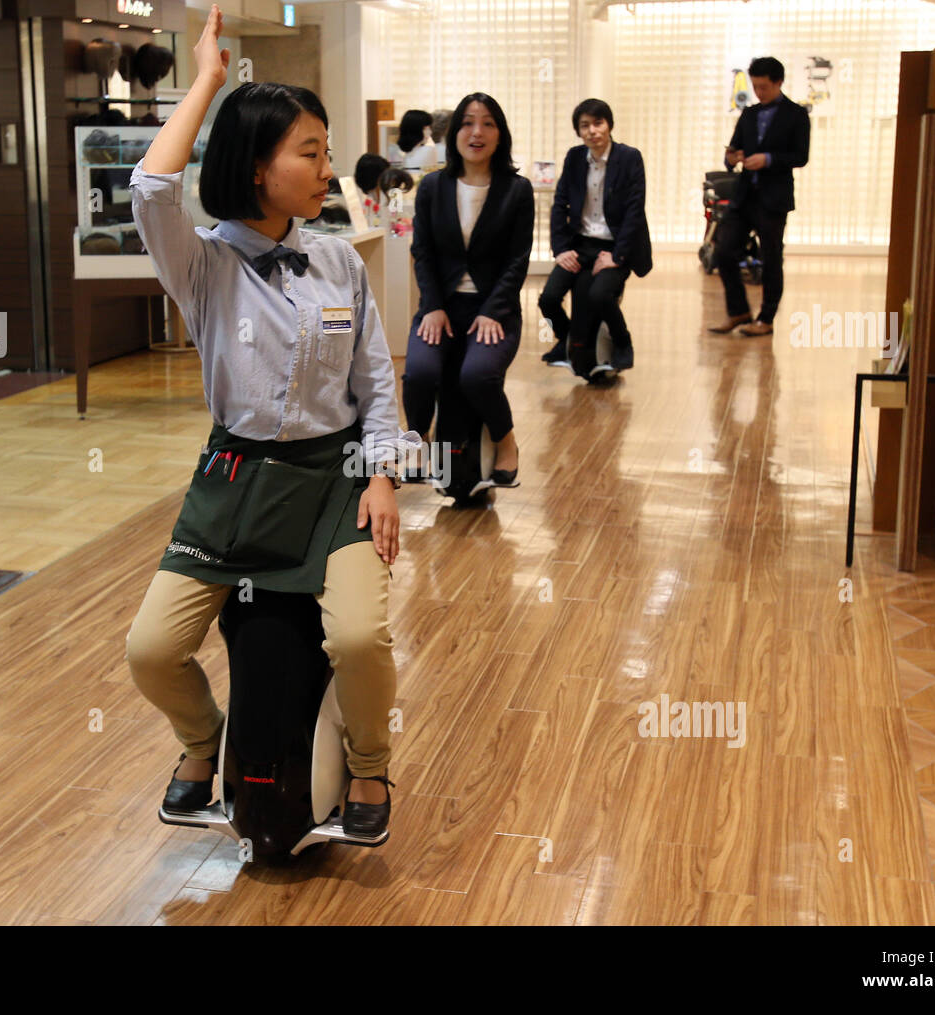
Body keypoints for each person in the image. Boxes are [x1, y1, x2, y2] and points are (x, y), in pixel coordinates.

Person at [126, 5, 418, 839]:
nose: (329, 169)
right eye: (311, 153)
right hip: (236, 480)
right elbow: (150, 187)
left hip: (336, 480)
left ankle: (368, 765)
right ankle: (199, 742)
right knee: (151, 649)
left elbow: (373, 380)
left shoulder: (336, 258)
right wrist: (210, 79)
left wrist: (385, 474)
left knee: (360, 637)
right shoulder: (204, 265)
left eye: (326, 152)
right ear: (258, 167)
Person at [402, 92, 533, 485]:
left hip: (495, 310)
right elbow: (422, 253)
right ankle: (419, 440)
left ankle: (505, 439)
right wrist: (432, 306)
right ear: (454, 132)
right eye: (467, 122)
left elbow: (517, 260)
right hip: (441, 306)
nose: (477, 132)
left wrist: (494, 310)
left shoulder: (516, 190)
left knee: (477, 375)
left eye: (488, 123)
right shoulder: (431, 188)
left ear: (500, 134)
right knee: (419, 373)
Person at [539, 98, 651, 381]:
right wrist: (561, 249)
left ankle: (623, 341)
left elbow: (634, 212)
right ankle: (565, 340)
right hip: (580, 244)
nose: (592, 131)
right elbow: (560, 204)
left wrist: (617, 256)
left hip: (615, 246)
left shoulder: (629, 158)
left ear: (609, 125)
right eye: (584, 125)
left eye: (598, 123)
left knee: (599, 295)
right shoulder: (575, 157)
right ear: (578, 131)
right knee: (548, 299)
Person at [709, 56, 810, 337]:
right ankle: (739, 311)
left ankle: (766, 319)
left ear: (778, 82)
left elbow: (800, 157)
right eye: (755, 87)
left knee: (771, 258)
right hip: (744, 196)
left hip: (773, 198)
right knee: (724, 251)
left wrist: (767, 160)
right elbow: (735, 151)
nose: (759, 92)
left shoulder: (796, 115)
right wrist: (732, 158)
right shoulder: (749, 114)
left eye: (764, 87)